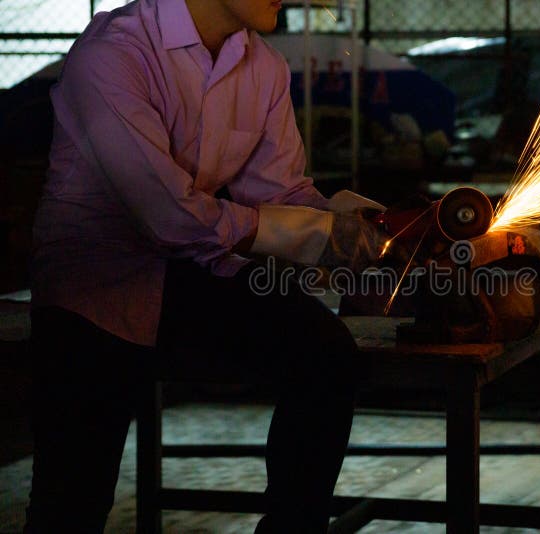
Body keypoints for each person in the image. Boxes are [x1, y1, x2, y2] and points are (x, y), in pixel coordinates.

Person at [25, 0, 388, 532]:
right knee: (72, 503)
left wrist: (356, 227)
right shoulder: (113, 52)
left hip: (194, 270)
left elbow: (279, 191)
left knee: (326, 354)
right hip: (94, 290)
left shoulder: (262, 66)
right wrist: (312, 234)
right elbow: (165, 213)